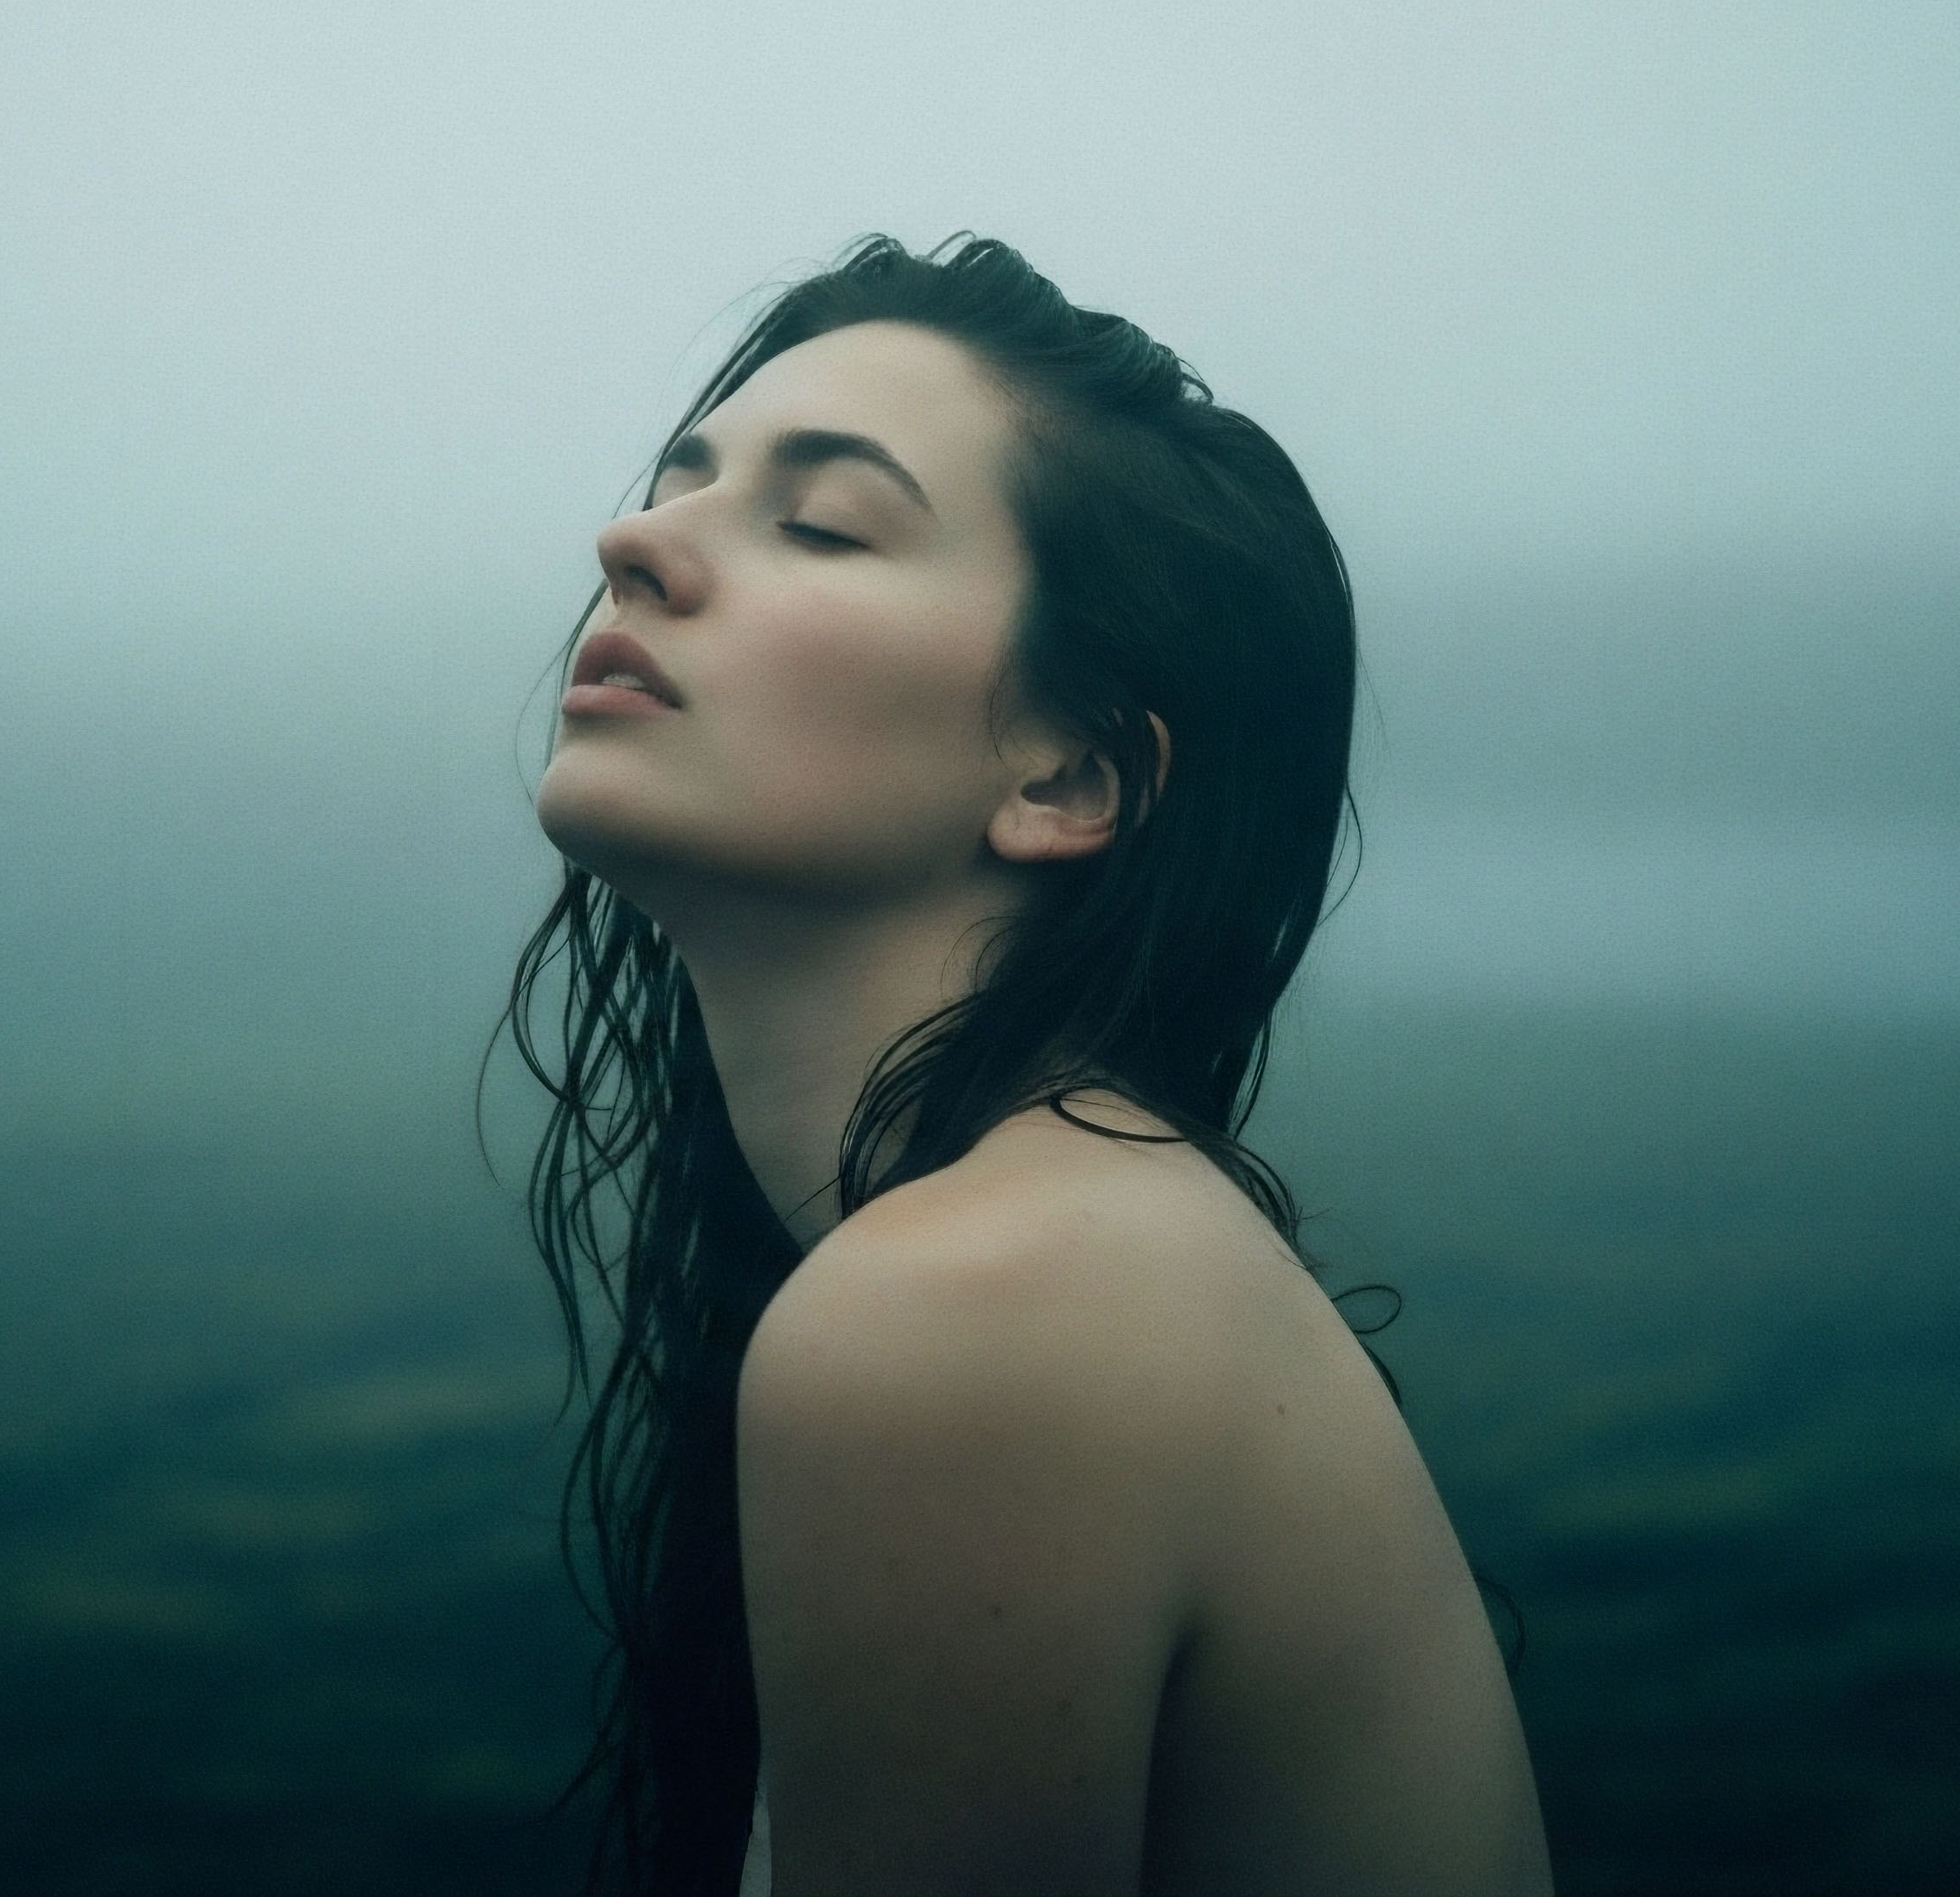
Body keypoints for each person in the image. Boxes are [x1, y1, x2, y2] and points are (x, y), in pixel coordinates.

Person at [508, 236, 1546, 1897]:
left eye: (822, 523)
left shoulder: (975, 1301)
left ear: (1068, 775)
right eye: (678, 483)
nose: (635, 541)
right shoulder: (1082, 1233)